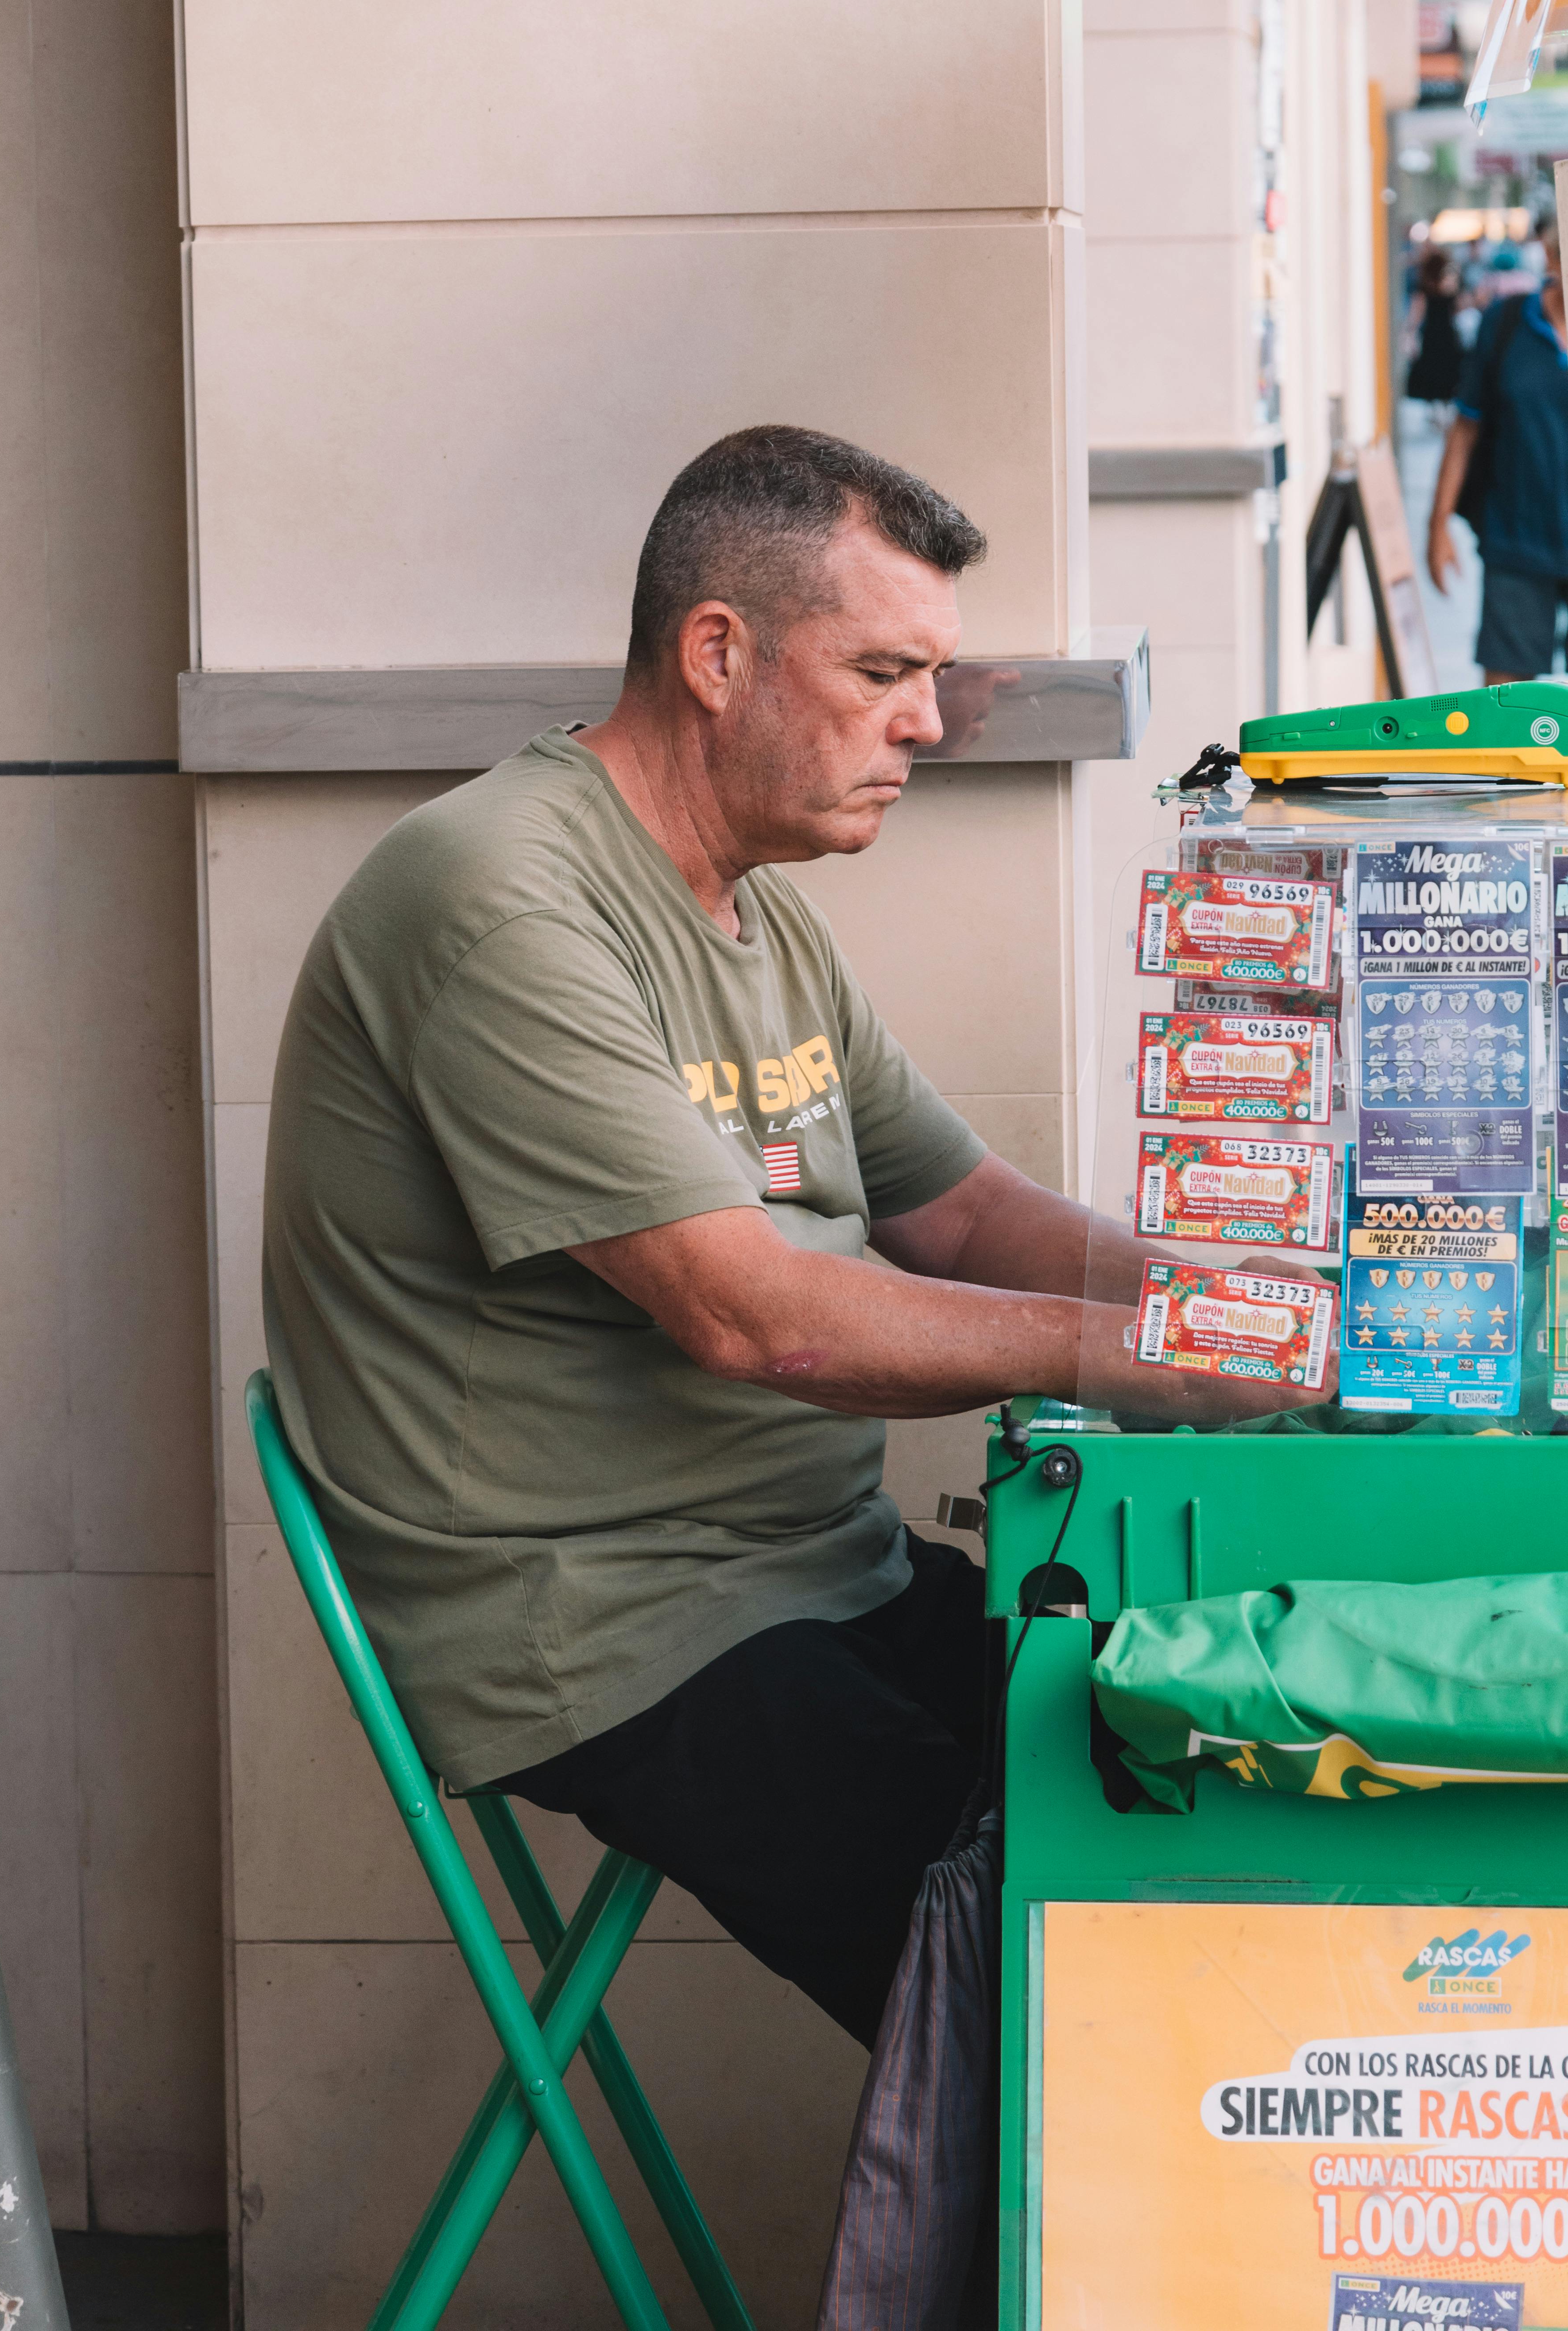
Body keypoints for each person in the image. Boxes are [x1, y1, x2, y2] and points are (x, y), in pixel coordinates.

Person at [263, 425, 1309, 2050]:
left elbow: (962, 1210)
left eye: (939, 674)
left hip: (812, 1574)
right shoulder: (495, 898)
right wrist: (1151, 1357)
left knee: (1196, 1778)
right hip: (600, 1624)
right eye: (885, 668)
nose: (927, 721)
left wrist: (1240, 1298)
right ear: (715, 652)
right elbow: (765, 1321)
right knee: (1065, 1986)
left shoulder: (759, 908)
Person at [1428, 220, 1568, 681]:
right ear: (1551, 259)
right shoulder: (1505, 323)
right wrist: (1437, 526)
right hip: (1516, 540)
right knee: (1505, 711)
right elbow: (1465, 429)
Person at [1402, 247, 1463, 409]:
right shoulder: (1449, 288)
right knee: (1447, 377)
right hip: (1447, 337)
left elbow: (1415, 318)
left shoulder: (1424, 291)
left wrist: (1410, 335)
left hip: (1432, 337)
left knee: (1432, 377)